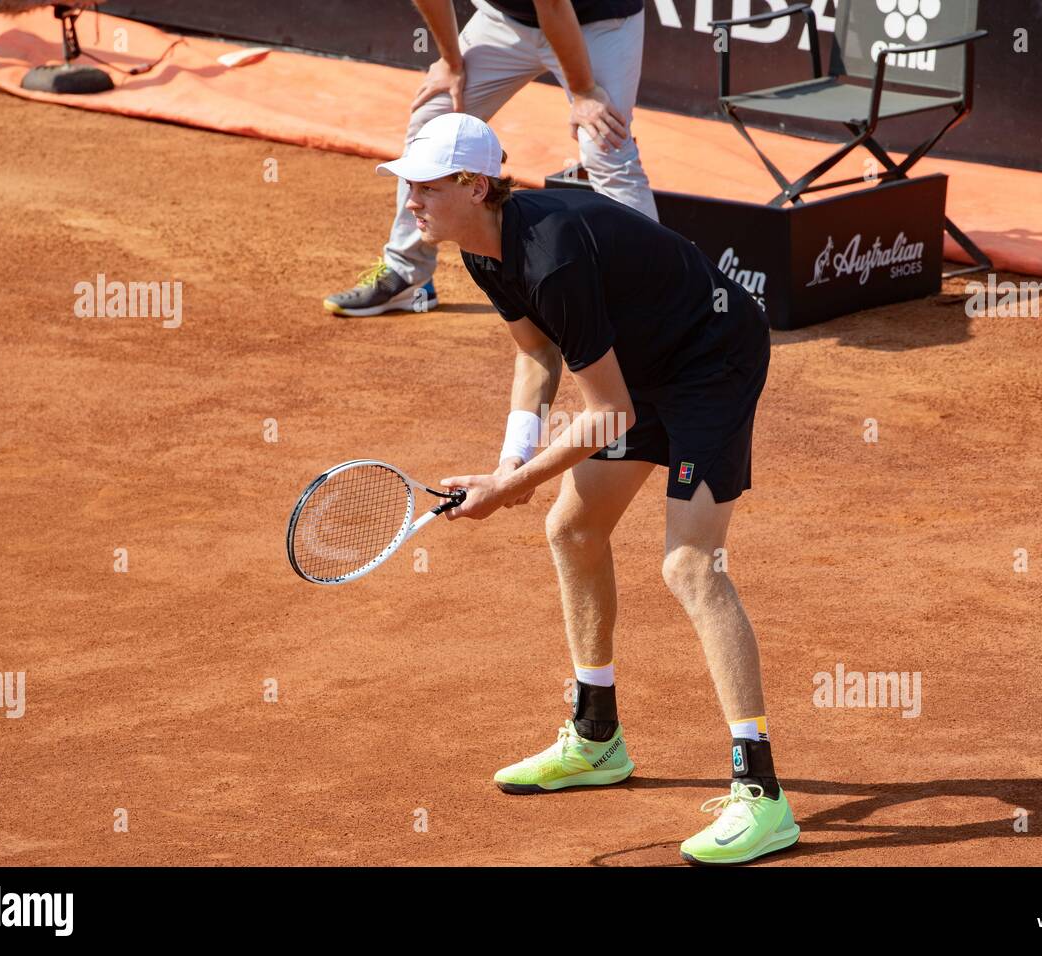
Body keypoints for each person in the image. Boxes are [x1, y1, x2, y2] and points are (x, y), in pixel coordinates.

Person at [376, 112, 798, 865]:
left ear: (474, 186)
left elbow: (607, 415)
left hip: (710, 362)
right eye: (407, 183)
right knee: (572, 530)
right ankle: (598, 738)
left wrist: (510, 488)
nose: (410, 198)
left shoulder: (551, 255)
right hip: (642, 367)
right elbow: (536, 357)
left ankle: (761, 795)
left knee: (690, 564)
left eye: (425, 186)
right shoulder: (480, 248)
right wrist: (513, 464)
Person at [323, 0, 658, 318]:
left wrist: (584, 92)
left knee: (604, 141)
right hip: (504, 21)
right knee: (432, 119)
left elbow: (553, 6)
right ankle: (408, 273)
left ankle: (652, 292)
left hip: (598, 23)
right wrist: (450, 62)